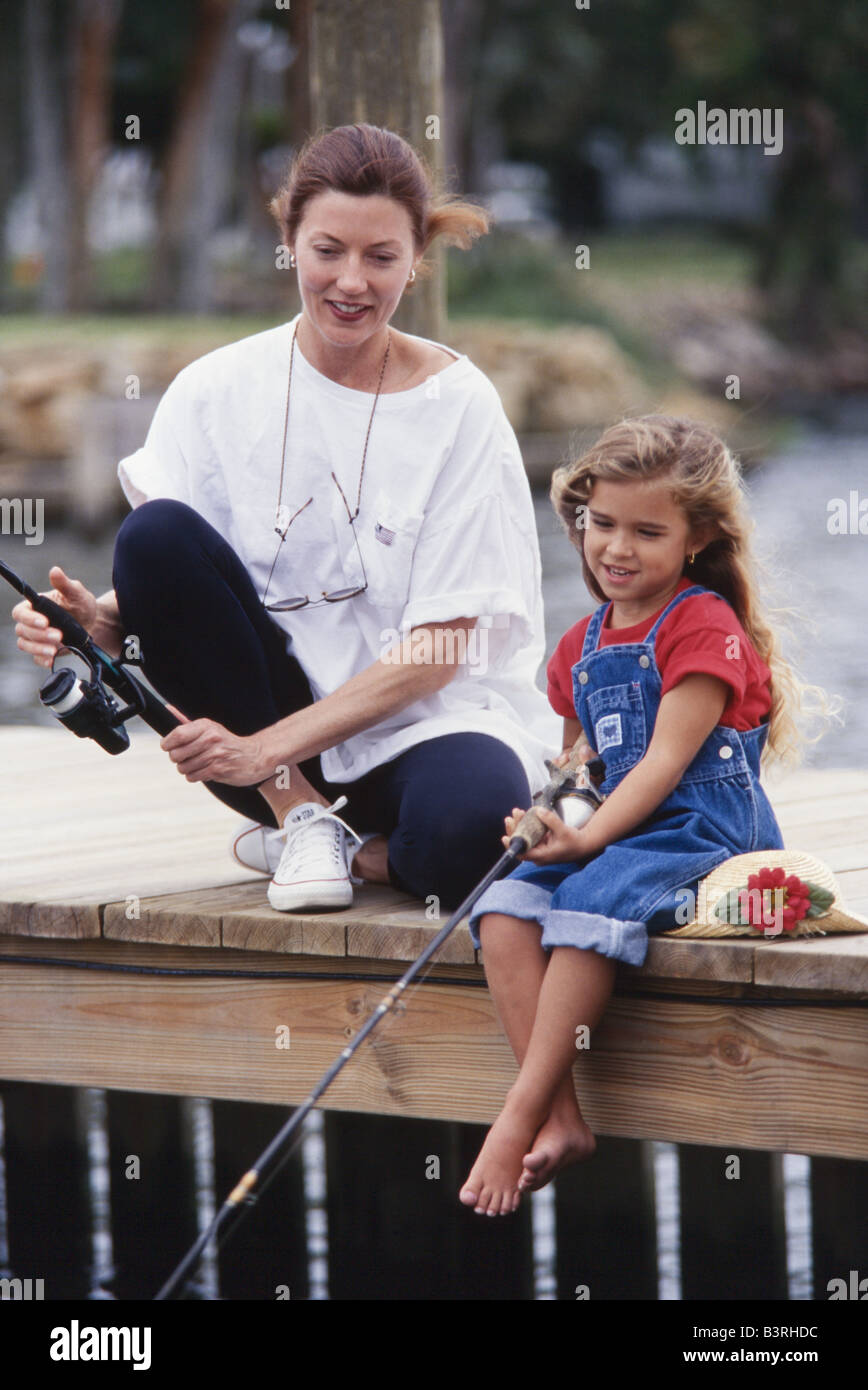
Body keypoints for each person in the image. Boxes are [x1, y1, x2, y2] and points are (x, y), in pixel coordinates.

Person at [12, 123, 559, 914]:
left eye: (382, 258)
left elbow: (440, 650)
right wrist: (99, 623)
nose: (351, 281)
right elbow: (196, 581)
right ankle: (298, 816)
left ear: (416, 259)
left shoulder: (460, 405)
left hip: (420, 726)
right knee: (153, 532)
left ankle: (357, 850)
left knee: (473, 842)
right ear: (289, 240)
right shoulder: (215, 389)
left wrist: (261, 746)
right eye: (327, 249)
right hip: (265, 755)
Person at [458, 414, 836, 1217]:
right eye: (601, 524)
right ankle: (562, 1114)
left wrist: (589, 842)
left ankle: (517, 1114)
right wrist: (553, 820)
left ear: (697, 538)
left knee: (590, 902)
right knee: (502, 907)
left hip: (700, 825)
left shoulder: (702, 625)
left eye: (647, 531)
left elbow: (665, 763)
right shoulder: (580, 645)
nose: (617, 549)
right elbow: (580, 764)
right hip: (623, 824)